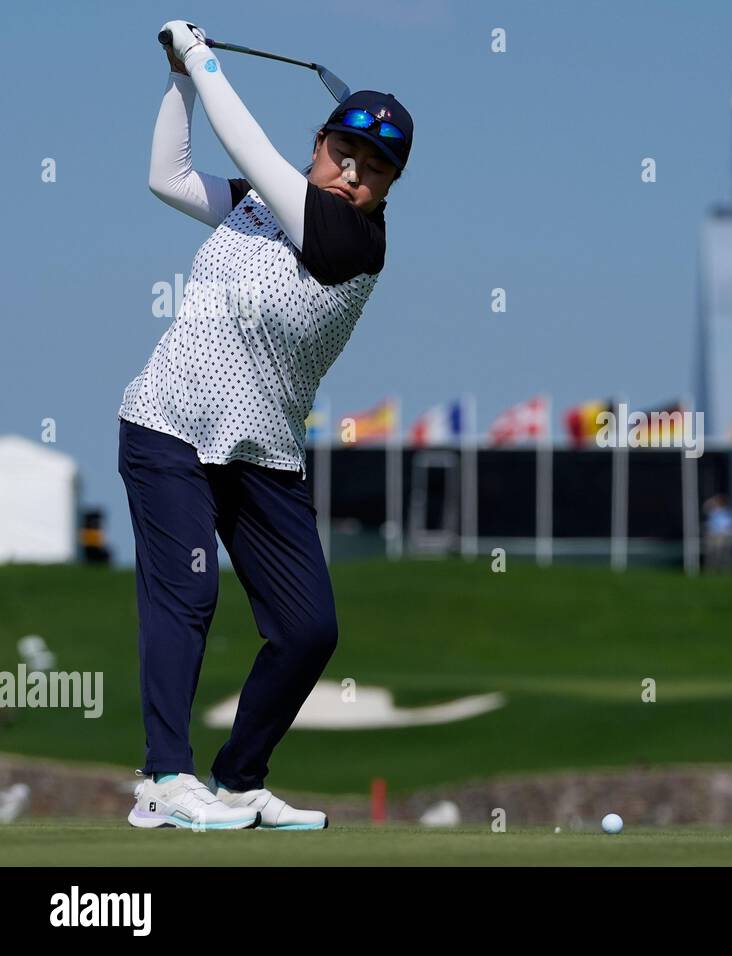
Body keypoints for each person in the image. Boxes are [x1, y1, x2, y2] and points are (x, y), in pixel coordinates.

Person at [118, 21, 414, 830]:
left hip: (263, 454)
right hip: (168, 427)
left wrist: (205, 60)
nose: (352, 173)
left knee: (308, 628)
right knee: (188, 593)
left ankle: (240, 779)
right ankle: (164, 779)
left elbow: (251, 152)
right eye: (343, 153)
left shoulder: (353, 240)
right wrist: (180, 77)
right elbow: (168, 177)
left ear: (389, 189)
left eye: (374, 169)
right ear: (319, 143)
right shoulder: (260, 206)